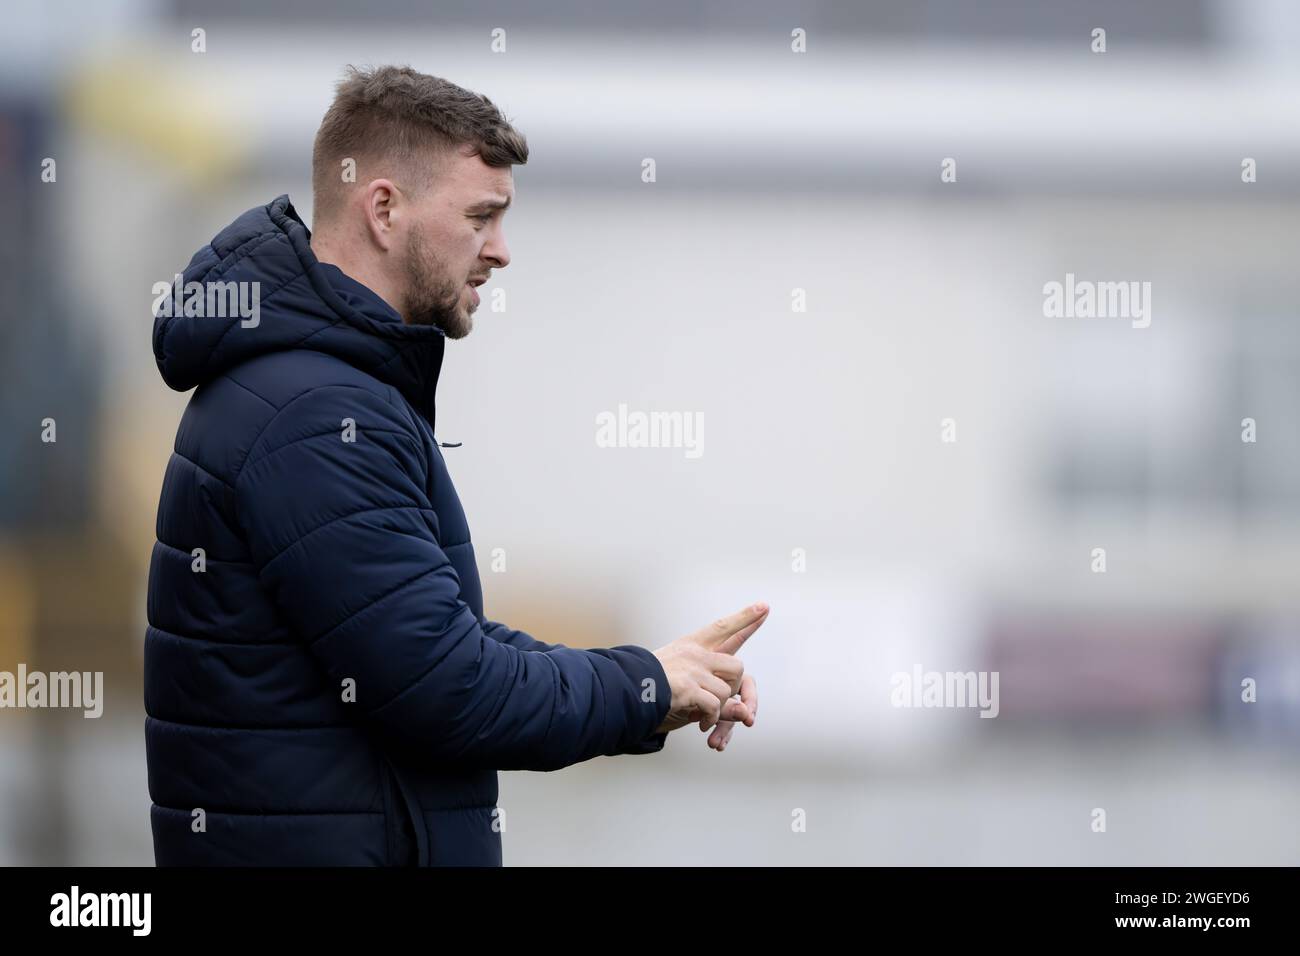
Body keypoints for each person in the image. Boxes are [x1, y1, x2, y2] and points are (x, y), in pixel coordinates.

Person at [145, 65, 766, 866]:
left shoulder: (318, 386)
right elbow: (446, 689)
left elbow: (429, 641)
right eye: (482, 217)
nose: (501, 252)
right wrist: (644, 687)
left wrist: (658, 677)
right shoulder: (318, 417)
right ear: (384, 209)